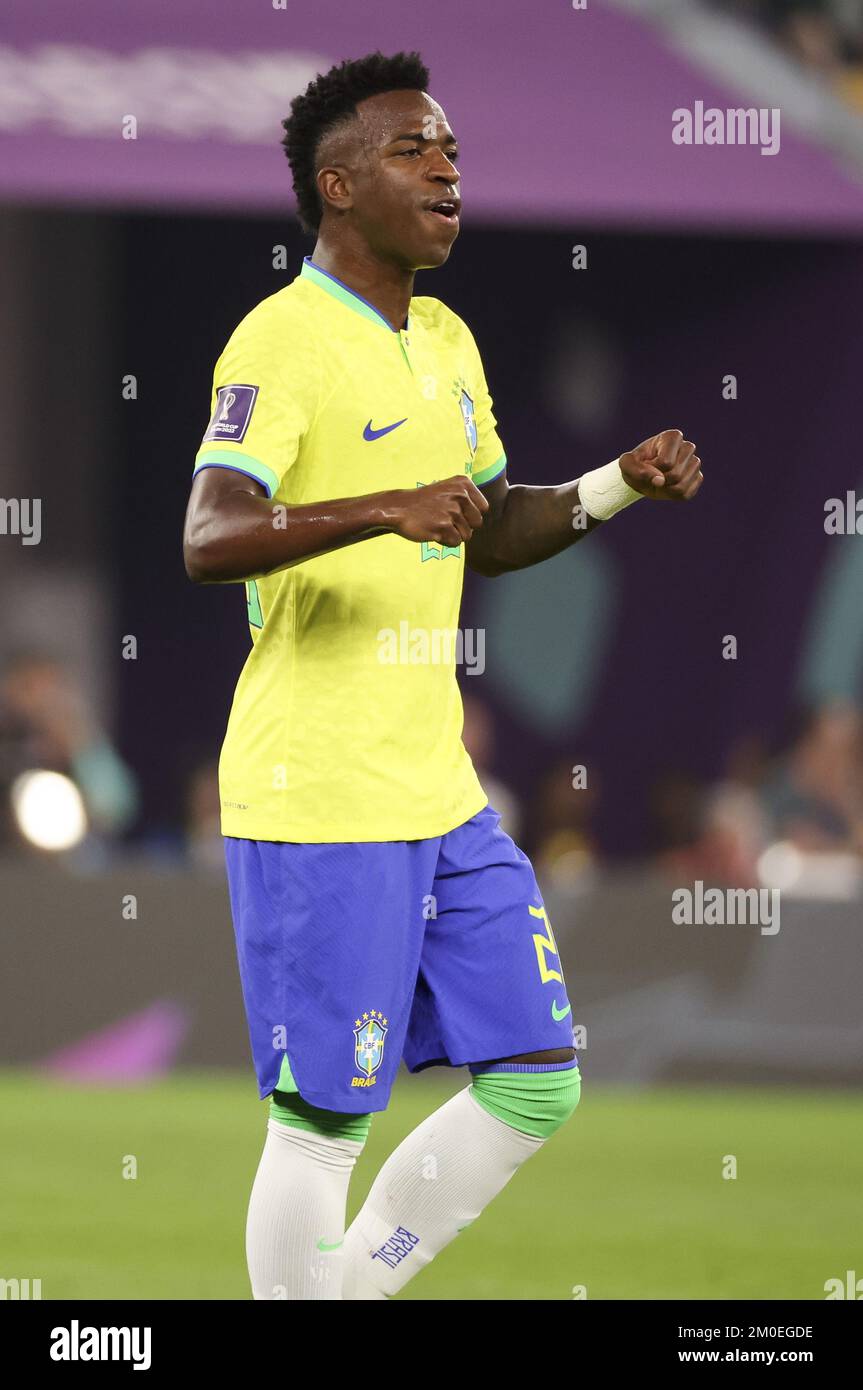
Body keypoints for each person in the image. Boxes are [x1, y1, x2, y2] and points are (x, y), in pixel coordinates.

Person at [182, 50, 704, 1301]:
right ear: (339, 184)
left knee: (535, 1078)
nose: (445, 167)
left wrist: (609, 487)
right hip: (319, 790)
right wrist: (382, 506)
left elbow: (487, 522)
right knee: (321, 1124)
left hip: (434, 787)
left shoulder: (446, 339)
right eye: (415, 149)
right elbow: (208, 536)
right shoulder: (284, 336)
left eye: (453, 151)